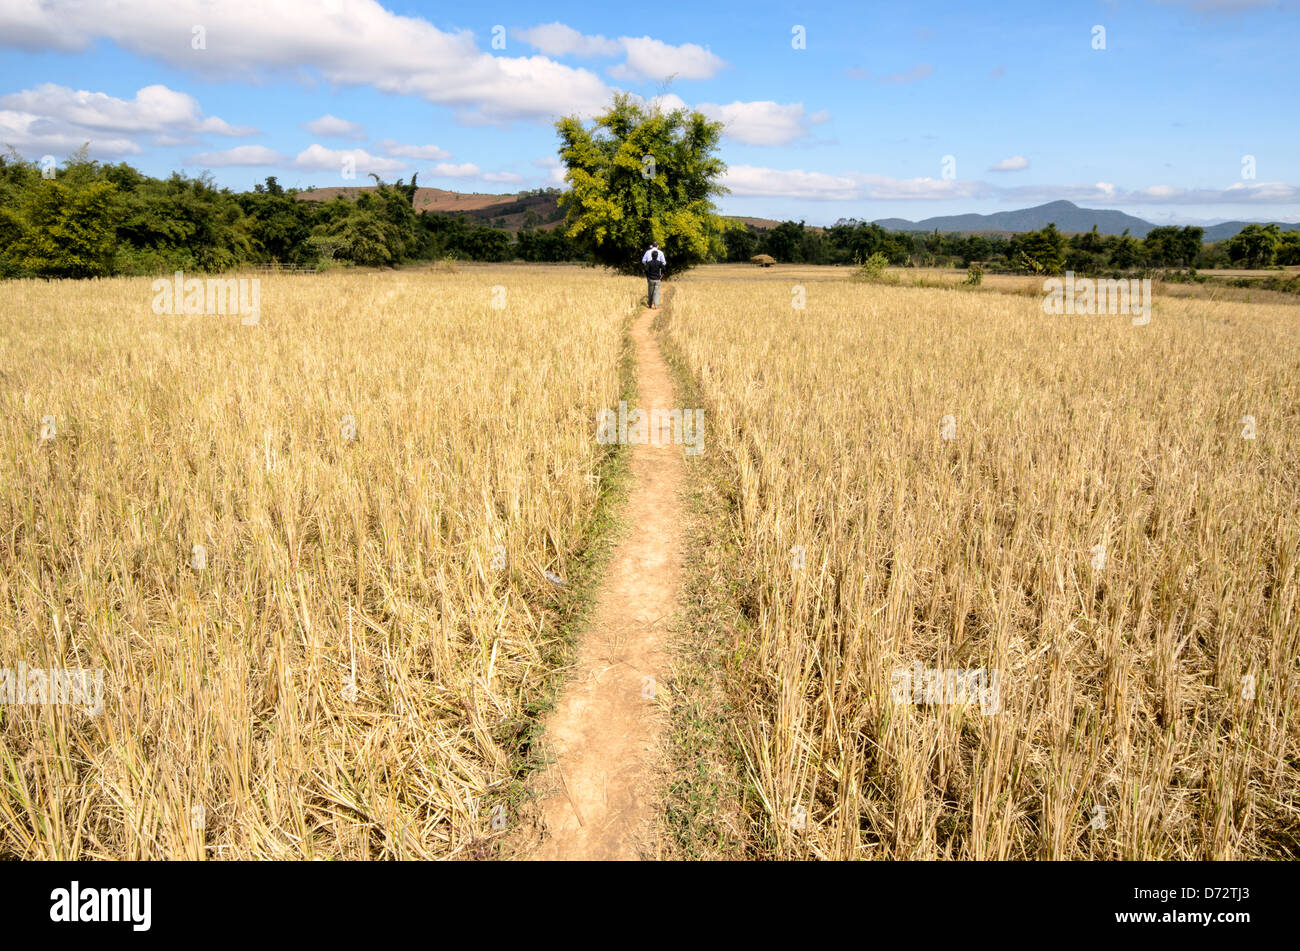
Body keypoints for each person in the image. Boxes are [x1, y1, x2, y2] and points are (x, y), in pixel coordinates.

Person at [642, 243, 667, 308]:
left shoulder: (648, 253)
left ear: (652, 246)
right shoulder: (660, 254)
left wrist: (648, 275)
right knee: (657, 292)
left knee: (650, 291)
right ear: (657, 246)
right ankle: (656, 305)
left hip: (650, 277)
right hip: (658, 277)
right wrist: (662, 275)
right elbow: (664, 264)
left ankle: (650, 304)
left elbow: (643, 262)